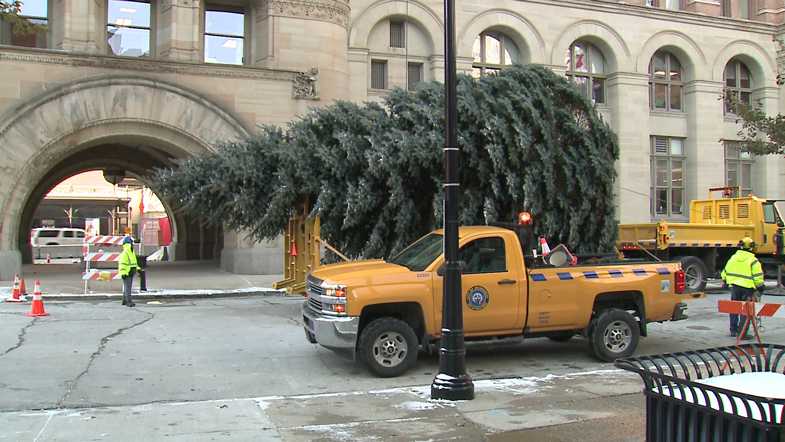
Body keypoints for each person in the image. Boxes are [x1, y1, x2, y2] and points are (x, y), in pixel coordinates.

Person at [721, 237, 764, 338]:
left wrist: (725, 281)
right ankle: (742, 333)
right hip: (747, 288)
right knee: (746, 310)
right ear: (751, 247)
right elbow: (757, 276)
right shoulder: (753, 260)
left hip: (734, 287)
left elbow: (725, 271)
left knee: (734, 308)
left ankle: (733, 330)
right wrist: (760, 286)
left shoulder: (733, 257)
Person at [118, 236, 139, 307]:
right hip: (127, 272)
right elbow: (122, 263)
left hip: (130, 271)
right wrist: (124, 272)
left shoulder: (130, 252)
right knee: (128, 288)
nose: (133, 244)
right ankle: (128, 301)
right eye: (132, 243)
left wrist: (137, 268)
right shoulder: (127, 253)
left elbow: (133, 262)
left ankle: (124, 300)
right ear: (129, 243)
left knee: (126, 287)